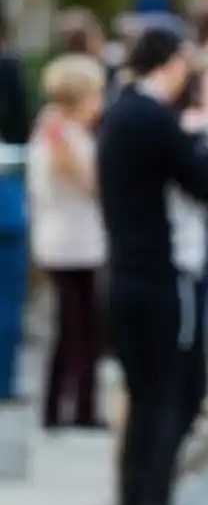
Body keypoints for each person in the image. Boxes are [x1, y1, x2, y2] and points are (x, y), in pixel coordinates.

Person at [98, 27, 208, 505]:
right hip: (158, 275)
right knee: (173, 390)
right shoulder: (149, 118)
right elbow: (205, 179)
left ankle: (137, 504)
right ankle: (151, 504)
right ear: (169, 64)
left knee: (149, 390)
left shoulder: (123, 113)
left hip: (129, 270)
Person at [27, 55, 108, 430]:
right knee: (77, 328)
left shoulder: (65, 131)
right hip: (69, 243)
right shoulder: (58, 135)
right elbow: (87, 180)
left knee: (75, 327)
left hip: (77, 239)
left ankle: (66, 405)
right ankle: (75, 407)